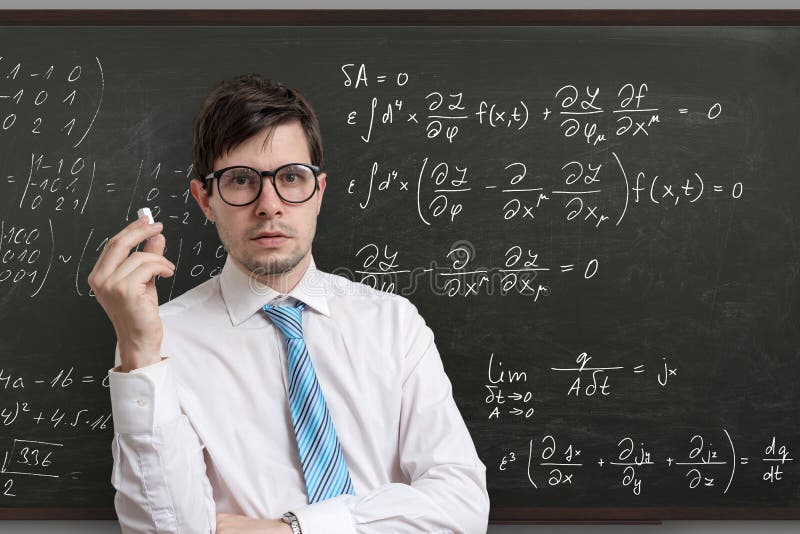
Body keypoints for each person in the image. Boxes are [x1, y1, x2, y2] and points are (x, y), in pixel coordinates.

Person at [89, 73, 489, 534]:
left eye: (291, 177)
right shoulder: (157, 348)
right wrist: (139, 353)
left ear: (318, 191)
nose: (269, 205)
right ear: (205, 199)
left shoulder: (394, 325)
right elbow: (165, 531)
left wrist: (291, 530)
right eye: (240, 180)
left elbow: (462, 506)